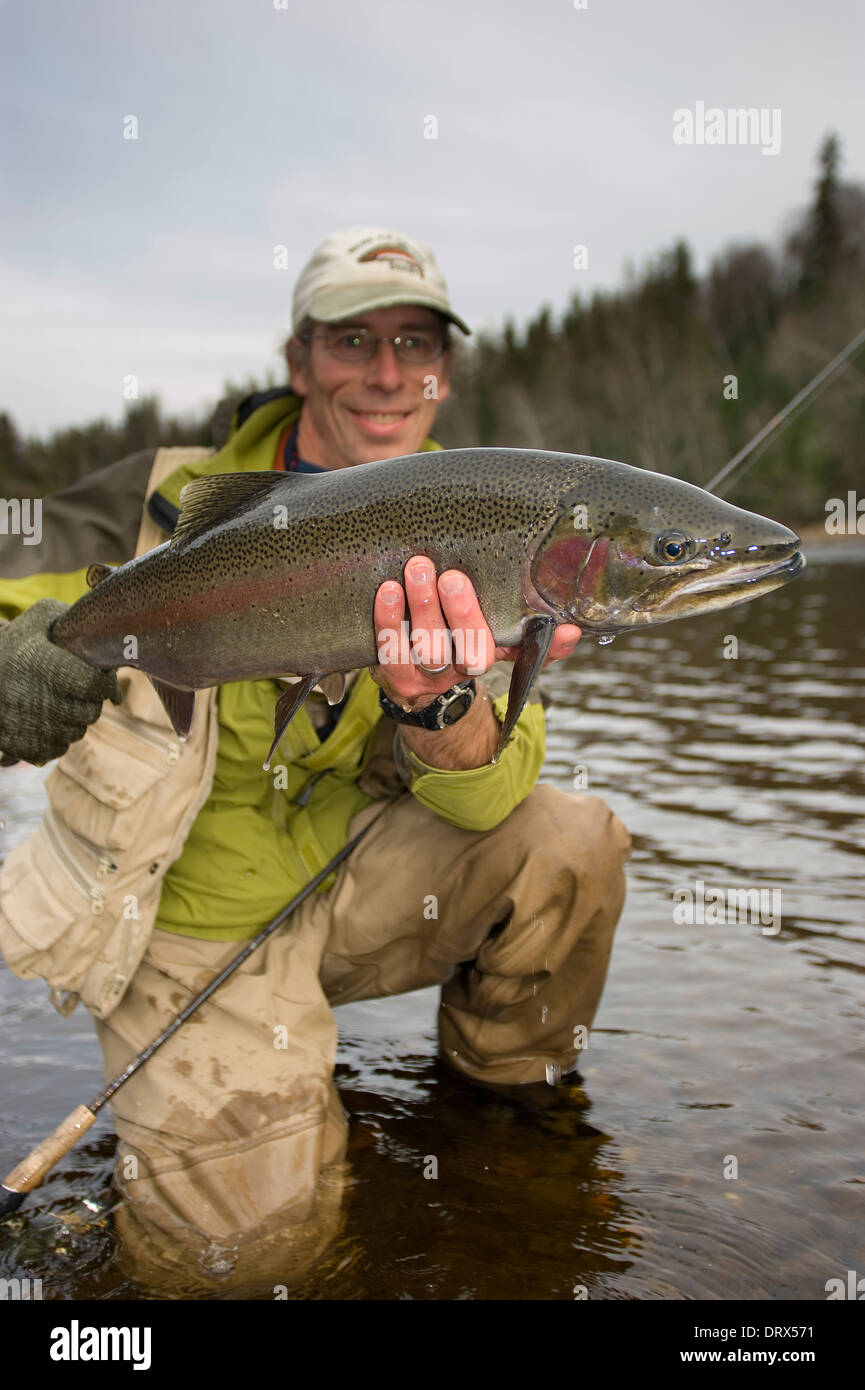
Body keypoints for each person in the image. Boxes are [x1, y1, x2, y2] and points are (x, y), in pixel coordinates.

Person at [0, 227, 631, 1289]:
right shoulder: (153, 495)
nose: (387, 374)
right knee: (244, 1266)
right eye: (353, 341)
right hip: (187, 923)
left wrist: (441, 711)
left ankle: (501, 1130)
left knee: (571, 842)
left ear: (445, 372)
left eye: (416, 344)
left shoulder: (497, 518)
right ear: (299, 363)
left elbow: (494, 794)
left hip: (355, 879)